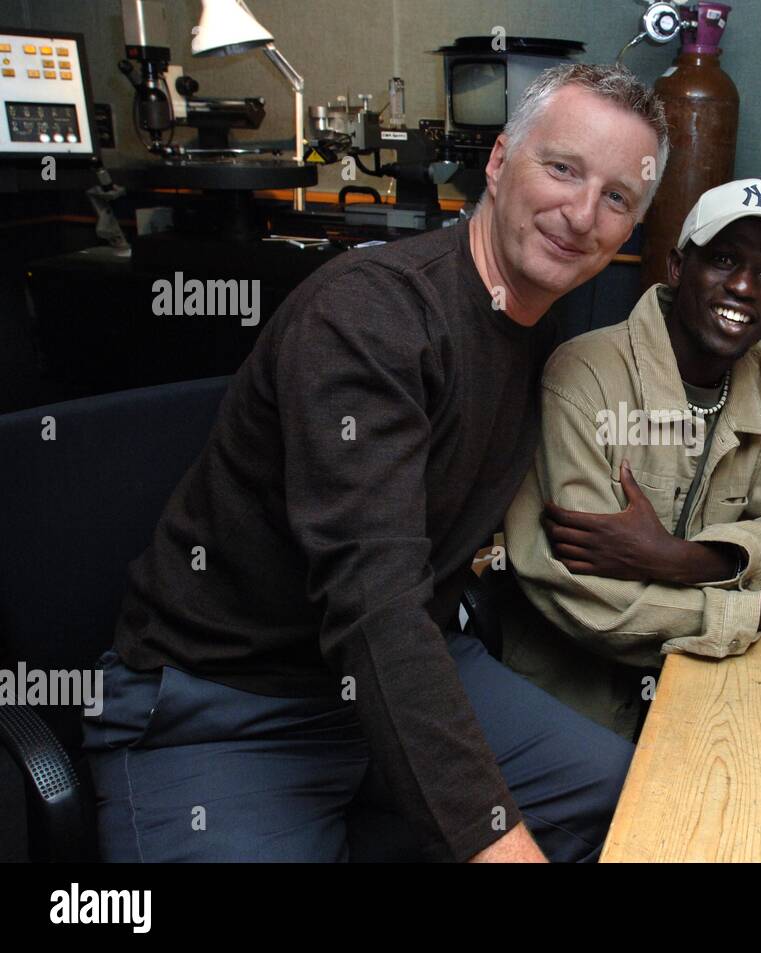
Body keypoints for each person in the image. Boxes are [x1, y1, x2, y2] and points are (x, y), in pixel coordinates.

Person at [82, 63, 669, 863]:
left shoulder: (534, 321)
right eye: (562, 168)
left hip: (392, 667)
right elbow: (374, 601)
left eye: (615, 197)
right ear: (498, 162)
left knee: (625, 803)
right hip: (229, 701)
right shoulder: (370, 316)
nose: (580, 213)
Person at [503, 178, 761, 737]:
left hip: (716, 685)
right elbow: (590, 602)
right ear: (678, 267)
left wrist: (682, 560)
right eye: (723, 259)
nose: (745, 286)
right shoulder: (581, 380)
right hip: (578, 705)